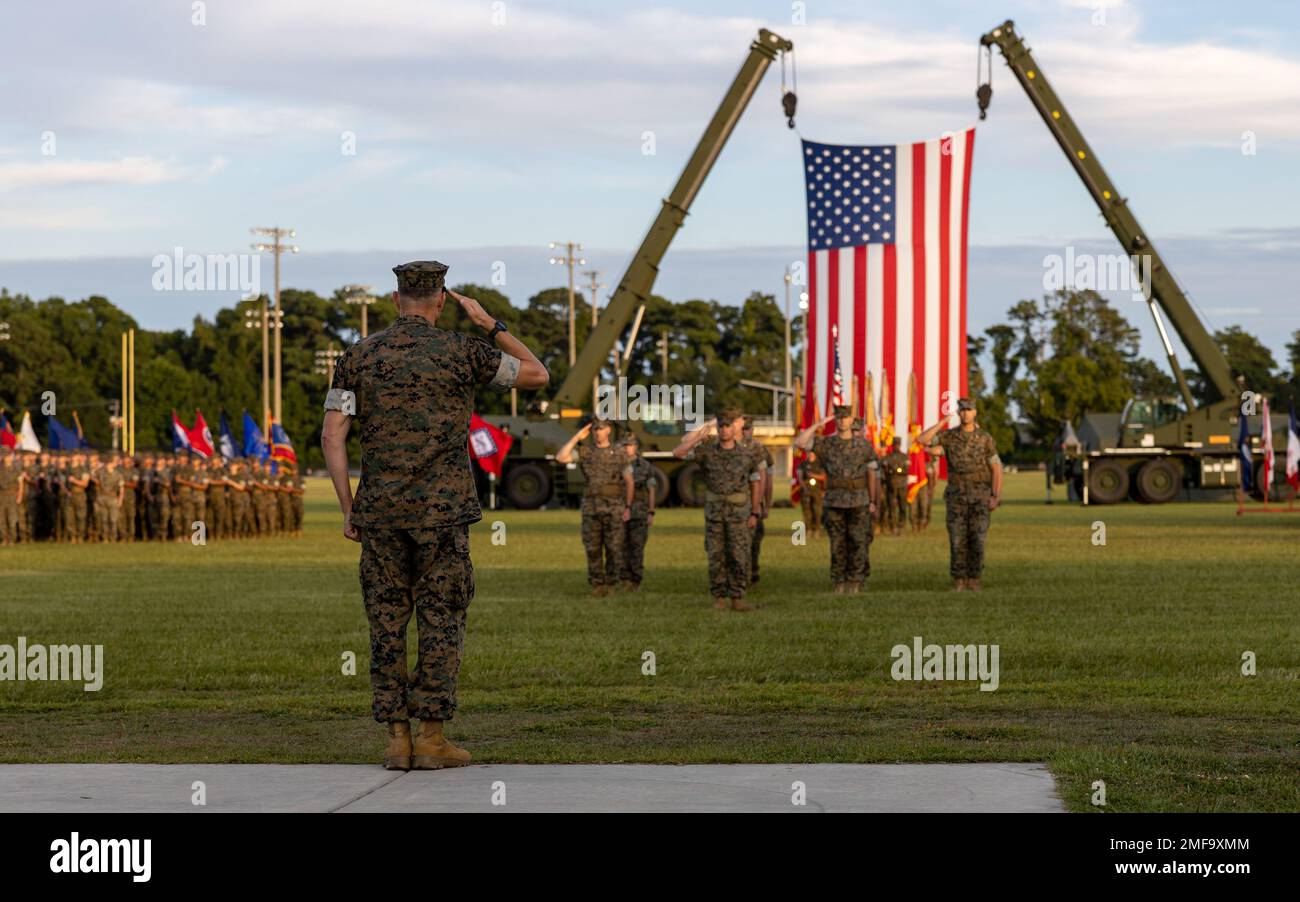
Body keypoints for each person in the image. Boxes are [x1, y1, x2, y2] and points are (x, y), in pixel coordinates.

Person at [321, 260, 548, 771]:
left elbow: (331, 435)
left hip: (379, 513)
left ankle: (396, 739)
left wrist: (347, 506)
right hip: (441, 516)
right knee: (441, 619)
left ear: (395, 298)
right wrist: (491, 324)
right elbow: (537, 374)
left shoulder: (357, 356)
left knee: (386, 623)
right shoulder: (462, 352)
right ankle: (432, 737)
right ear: (442, 301)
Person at [672, 408, 763, 611]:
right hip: (714, 513)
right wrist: (699, 437)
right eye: (720, 426)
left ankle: (738, 597)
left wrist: (755, 511)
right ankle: (719, 598)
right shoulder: (707, 451)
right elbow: (678, 453)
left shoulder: (747, 454)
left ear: (734, 428)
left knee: (739, 555)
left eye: (727, 426)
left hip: (739, 512)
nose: (723, 430)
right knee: (716, 556)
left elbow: (756, 482)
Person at [917, 397, 1003, 592]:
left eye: (969, 410)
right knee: (957, 539)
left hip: (980, 495)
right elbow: (923, 441)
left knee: (978, 539)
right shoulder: (949, 437)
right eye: (962, 410)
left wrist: (995, 495)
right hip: (956, 496)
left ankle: (974, 578)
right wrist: (942, 422)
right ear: (958, 413)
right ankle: (959, 579)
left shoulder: (985, 438)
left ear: (975, 413)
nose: (966, 413)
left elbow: (996, 467)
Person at [794, 405, 879, 594]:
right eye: (839, 418)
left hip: (858, 499)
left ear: (851, 420)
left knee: (857, 542)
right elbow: (800, 443)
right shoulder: (826, 444)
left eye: (846, 418)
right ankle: (839, 582)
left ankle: (854, 582)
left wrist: (873, 500)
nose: (842, 421)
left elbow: (873, 473)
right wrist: (817, 424)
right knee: (837, 544)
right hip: (834, 500)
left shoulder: (864, 446)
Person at [556, 418, 633, 597]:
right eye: (595, 429)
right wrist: (576, 437)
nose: (598, 432)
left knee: (614, 547)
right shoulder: (586, 452)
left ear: (608, 430)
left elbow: (629, 481)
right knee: (593, 547)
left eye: (601, 428)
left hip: (614, 506)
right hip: (591, 507)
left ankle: (612, 583)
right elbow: (561, 457)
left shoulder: (619, 453)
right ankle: (598, 585)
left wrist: (628, 506)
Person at [618, 432, 656, 592]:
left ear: (636, 447)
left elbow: (651, 489)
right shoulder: (617, 464)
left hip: (639, 510)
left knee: (637, 546)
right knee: (620, 546)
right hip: (620, 509)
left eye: (630, 445)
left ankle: (635, 580)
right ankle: (624, 579)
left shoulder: (645, 466)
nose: (627, 448)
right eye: (625, 445)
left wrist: (651, 512)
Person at [740, 415, 773, 585]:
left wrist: (765, 504)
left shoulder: (759, 449)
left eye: (748, 428)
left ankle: (753, 572)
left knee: (754, 539)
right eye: (742, 428)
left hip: (754, 501)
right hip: (737, 501)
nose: (745, 431)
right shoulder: (731, 446)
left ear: (752, 430)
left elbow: (766, 479)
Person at [881, 438, 909, 536]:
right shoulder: (888, 457)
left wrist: (896, 470)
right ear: (893, 445)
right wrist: (895, 470)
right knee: (891, 507)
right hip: (891, 486)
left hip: (902, 486)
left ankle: (901, 526)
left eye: (898, 444)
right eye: (895, 444)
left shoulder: (905, 457)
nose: (896, 446)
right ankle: (893, 526)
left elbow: (906, 470)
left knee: (902, 507)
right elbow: (885, 469)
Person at [797, 449, 826, 538]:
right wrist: (803, 487)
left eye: (812, 453)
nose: (810, 455)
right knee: (807, 511)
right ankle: (808, 530)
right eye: (809, 453)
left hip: (817, 490)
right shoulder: (803, 464)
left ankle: (817, 529)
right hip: (806, 489)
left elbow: (823, 477)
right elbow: (800, 477)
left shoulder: (819, 464)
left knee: (817, 510)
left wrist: (813, 476)